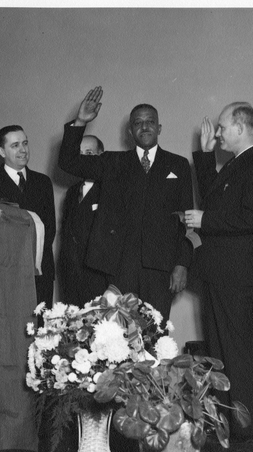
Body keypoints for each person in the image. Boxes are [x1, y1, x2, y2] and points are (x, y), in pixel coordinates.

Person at [58, 86, 193, 320]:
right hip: (118, 268)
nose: (145, 127)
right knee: (116, 338)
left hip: (160, 269)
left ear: (159, 128)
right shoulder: (112, 162)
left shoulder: (178, 165)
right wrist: (80, 121)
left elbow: (187, 220)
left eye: (150, 122)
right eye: (138, 123)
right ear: (130, 131)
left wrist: (181, 264)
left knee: (155, 336)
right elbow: (68, 161)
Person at [185, 102, 253, 441]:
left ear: (240, 128)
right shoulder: (238, 164)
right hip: (218, 272)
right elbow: (213, 199)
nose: (219, 133)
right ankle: (225, 424)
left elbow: (251, 219)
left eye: (222, 128)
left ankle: (247, 427)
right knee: (219, 351)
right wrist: (206, 156)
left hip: (236, 277)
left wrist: (205, 220)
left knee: (238, 350)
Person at [0, 125, 56, 308]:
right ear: (1, 151)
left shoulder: (43, 182)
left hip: (40, 270)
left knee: (41, 327)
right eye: (15, 145)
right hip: (6, 270)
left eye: (25, 143)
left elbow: (50, 227)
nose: (23, 150)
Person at [58, 135, 107, 307]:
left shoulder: (110, 190)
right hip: (72, 274)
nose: (84, 158)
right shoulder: (72, 192)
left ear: (101, 154)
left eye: (89, 152)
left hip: (99, 276)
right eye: (80, 153)